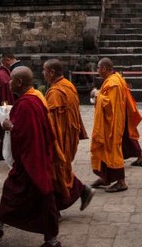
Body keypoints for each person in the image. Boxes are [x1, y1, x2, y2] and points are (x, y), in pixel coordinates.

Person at [0, 66, 62, 247]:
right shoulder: (34, 98)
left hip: (32, 160)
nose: (9, 82)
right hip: (35, 157)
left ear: (20, 82)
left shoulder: (27, 104)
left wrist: (9, 126)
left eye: (12, 80)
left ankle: (51, 241)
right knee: (17, 193)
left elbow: (26, 134)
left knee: (39, 196)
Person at [43, 59, 94, 211]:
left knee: (55, 172)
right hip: (70, 137)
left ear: (51, 72)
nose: (43, 73)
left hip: (60, 139)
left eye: (44, 70)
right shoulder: (68, 85)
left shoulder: (55, 93)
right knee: (61, 170)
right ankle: (82, 191)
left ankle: (54, 210)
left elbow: (50, 122)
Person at [90, 58, 142, 192]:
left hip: (112, 123)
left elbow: (109, 104)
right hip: (111, 120)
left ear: (104, 68)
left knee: (113, 150)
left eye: (98, 68)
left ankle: (121, 182)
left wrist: (97, 95)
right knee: (104, 149)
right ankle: (105, 177)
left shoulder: (113, 83)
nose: (97, 71)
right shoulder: (115, 78)